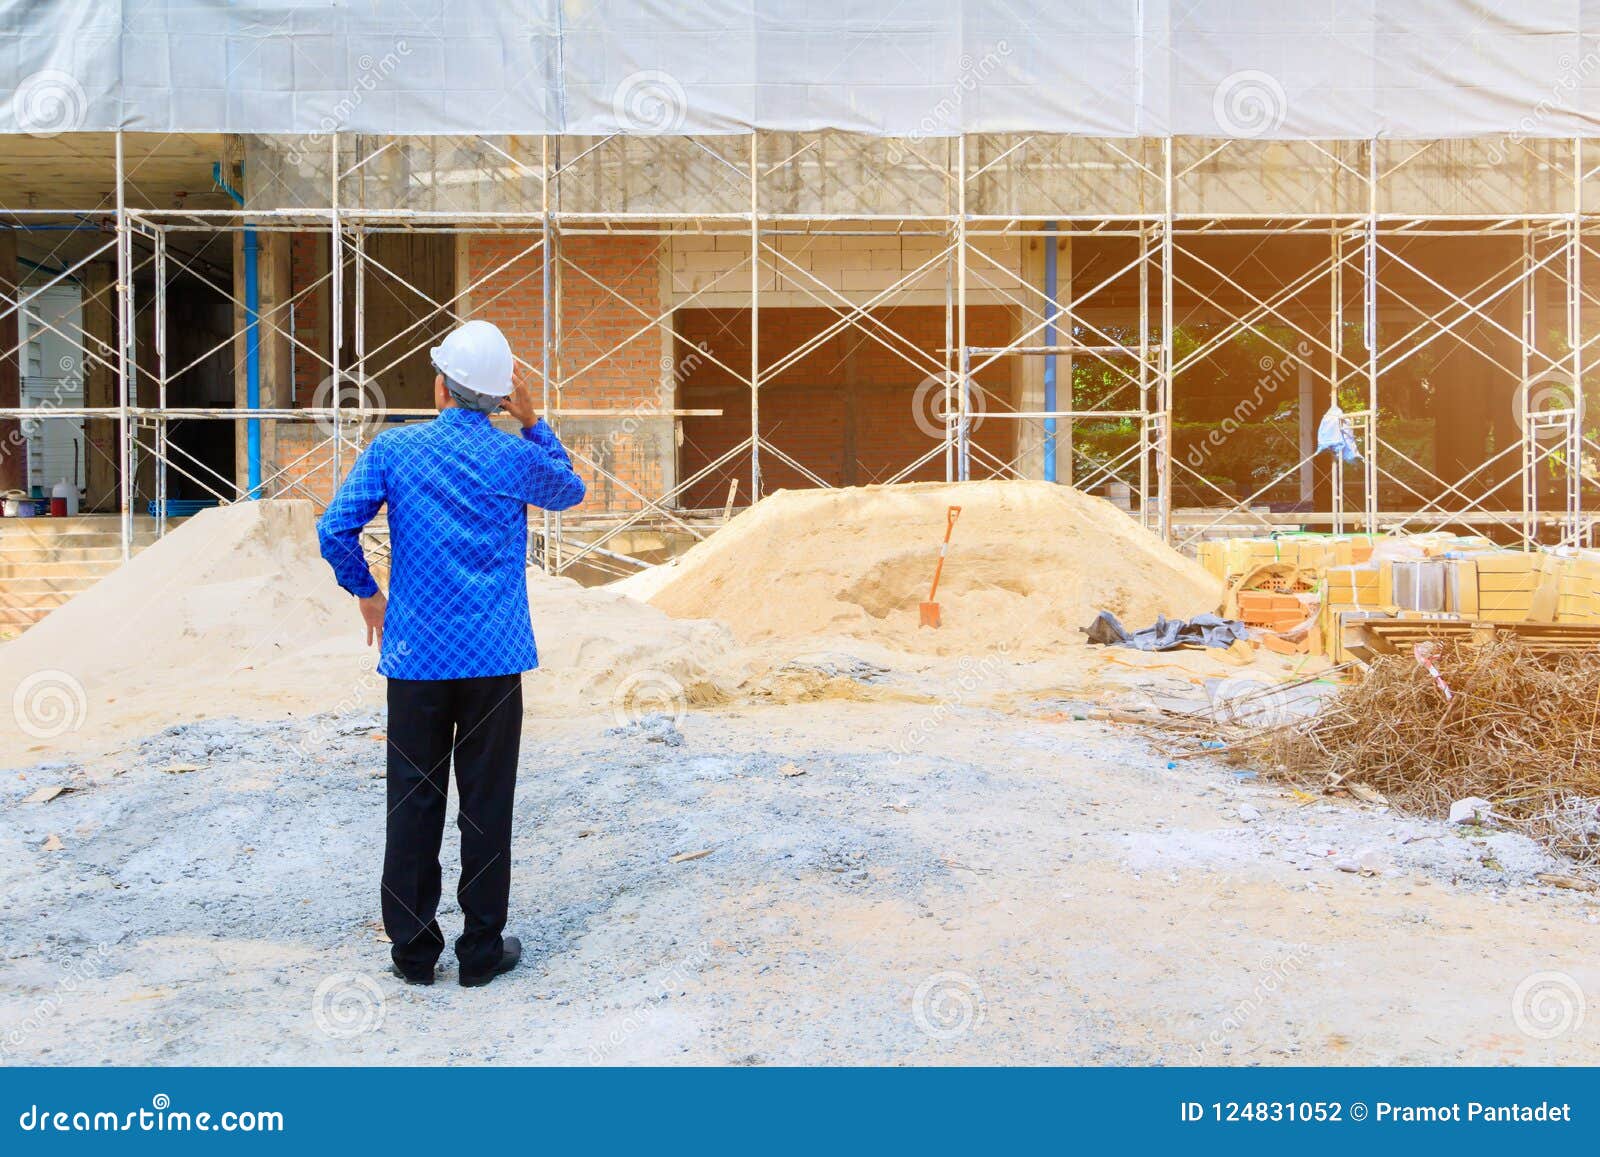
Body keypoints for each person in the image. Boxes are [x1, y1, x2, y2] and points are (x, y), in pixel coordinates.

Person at [316, 319, 585, 988]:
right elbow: (570, 489)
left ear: (440, 385)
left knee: (414, 799)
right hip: (493, 660)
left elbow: (334, 527)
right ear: (498, 399)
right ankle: (480, 953)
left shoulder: (394, 449)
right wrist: (535, 422)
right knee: (486, 804)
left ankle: (413, 954)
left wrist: (366, 592)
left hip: (417, 661)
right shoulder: (514, 455)